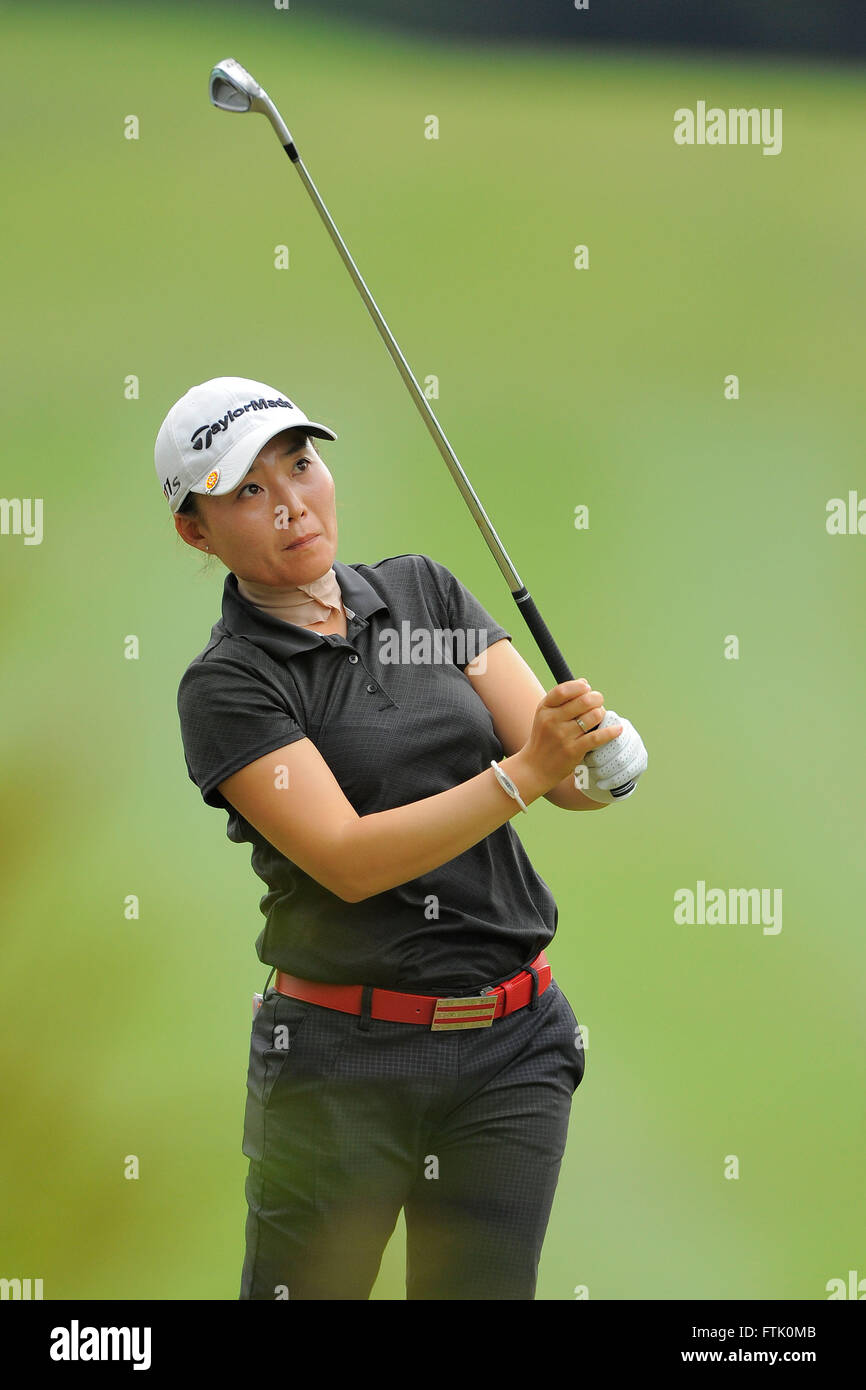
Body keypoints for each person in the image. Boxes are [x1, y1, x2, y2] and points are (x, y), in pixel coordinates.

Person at [154, 375, 647, 1301]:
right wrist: (530, 772)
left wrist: (589, 756)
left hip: (513, 1049)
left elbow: (556, 771)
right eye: (249, 491)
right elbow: (348, 859)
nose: (292, 504)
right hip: (341, 1062)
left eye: (300, 466)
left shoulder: (423, 592)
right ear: (197, 530)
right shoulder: (228, 685)